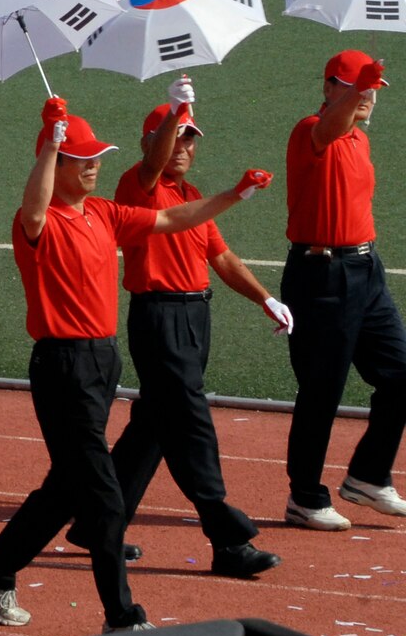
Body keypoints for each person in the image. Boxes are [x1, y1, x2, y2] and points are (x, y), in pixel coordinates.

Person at [0, 98, 270, 632]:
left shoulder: (103, 213)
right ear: (55, 164)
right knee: (103, 497)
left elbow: (172, 218)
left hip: (102, 361)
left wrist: (233, 195)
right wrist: (52, 142)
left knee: (65, 486)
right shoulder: (37, 222)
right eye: (81, 159)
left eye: (96, 158)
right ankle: (121, 617)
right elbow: (33, 207)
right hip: (62, 366)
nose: (94, 166)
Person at [73, 87, 282, 577]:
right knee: (191, 424)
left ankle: (96, 524)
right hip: (160, 318)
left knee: (153, 428)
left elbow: (222, 258)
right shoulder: (138, 184)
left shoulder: (190, 196)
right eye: (176, 138)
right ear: (151, 142)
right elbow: (154, 162)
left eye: (191, 139)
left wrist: (266, 299)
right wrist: (175, 111)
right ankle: (227, 540)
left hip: (193, 319)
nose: (184, 147)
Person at [282, 49, 406, 528]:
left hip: (366, 271)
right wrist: (357, 92)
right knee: (322, 389)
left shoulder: (359, 139)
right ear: (329, 87)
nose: (368, 97)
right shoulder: (311, 130)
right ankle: (305, 497)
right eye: (356, 88)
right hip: (321, 275)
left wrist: (361, 89)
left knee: (400, 375)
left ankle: (368, 476)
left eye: (372, 90)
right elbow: (328, 128)